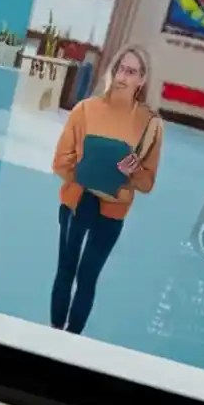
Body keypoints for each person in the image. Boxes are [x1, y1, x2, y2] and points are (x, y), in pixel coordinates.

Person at [50, 44, 164, 334]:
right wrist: (86, 169)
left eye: (131, 71)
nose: (123, 76)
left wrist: (134, 171)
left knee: (88, 277)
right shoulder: (85, 110)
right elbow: (60, 163)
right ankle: (51, 333)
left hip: (113, 210)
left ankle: (72, 339)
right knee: (65, 269)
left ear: (142, 79)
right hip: (76, 200)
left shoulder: (150, 124)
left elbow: (148, 183)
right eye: (119, 69)